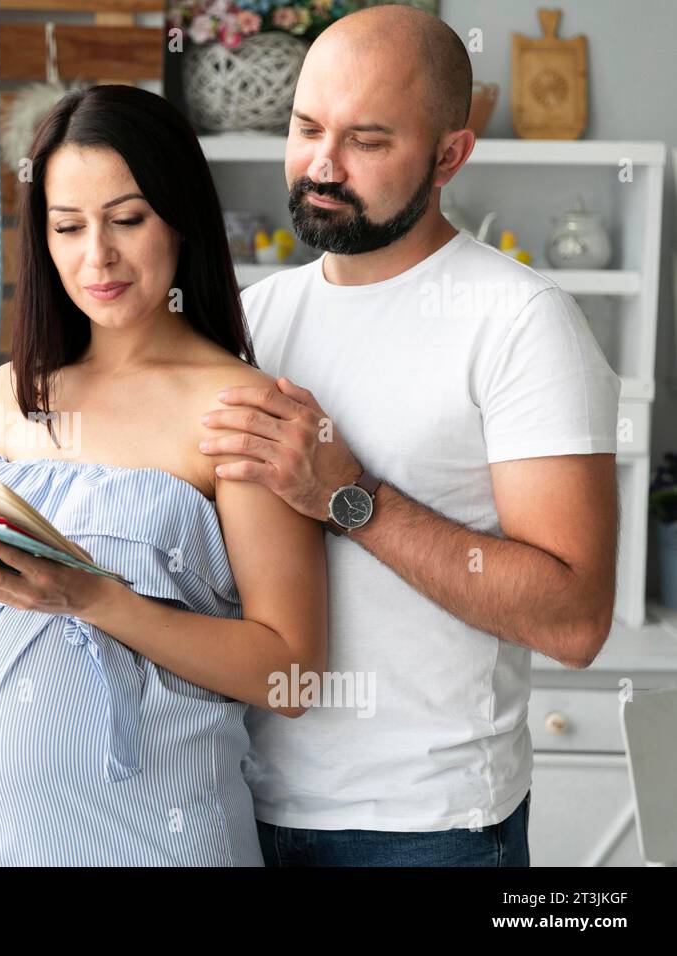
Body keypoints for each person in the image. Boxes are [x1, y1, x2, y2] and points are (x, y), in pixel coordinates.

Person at [196, 5, 620, 865]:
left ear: (449, 157)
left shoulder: (521, 323)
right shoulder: (252, 320)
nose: (322, 163)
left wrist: (349, 499)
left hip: (425, 831)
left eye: (368, 141)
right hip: (234, 801)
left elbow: (577, 622)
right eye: (307, 126)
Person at [0, 83, 326, 865]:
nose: (96, 256)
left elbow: (291, 676)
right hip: (1, 844)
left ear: (181, 220)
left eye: (127, 220)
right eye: (68, 226)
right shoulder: (10, 395)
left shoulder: (237, 406)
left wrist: (95, 599)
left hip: (161, 834)